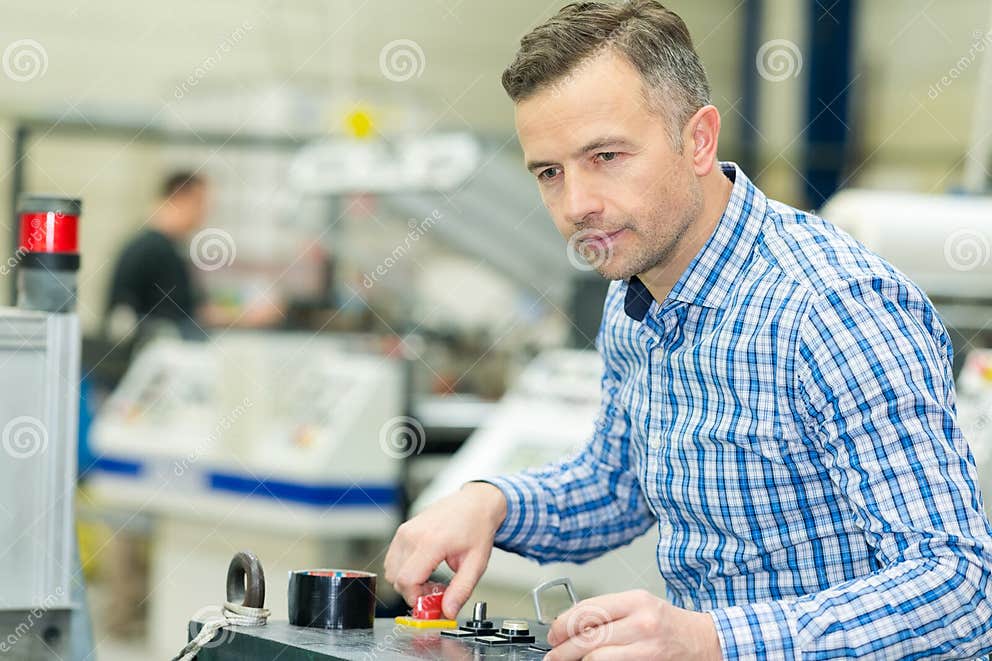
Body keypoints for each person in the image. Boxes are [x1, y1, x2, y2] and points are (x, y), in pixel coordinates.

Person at [384, 2, 992, 659]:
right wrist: (492, 501)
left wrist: (709, 639)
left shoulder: (829, 310)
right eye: (550, 173)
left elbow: (958, 587)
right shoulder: (634, 298)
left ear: (698, 139)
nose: (576, 205)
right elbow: (616, 484)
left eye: (606, 155)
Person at [105, 171, 281, 340]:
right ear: (181, 197)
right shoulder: (157, 250)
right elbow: (185, 316)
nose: (204, 215)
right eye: (201, 205)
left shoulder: (154, 245)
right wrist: (247, 316)